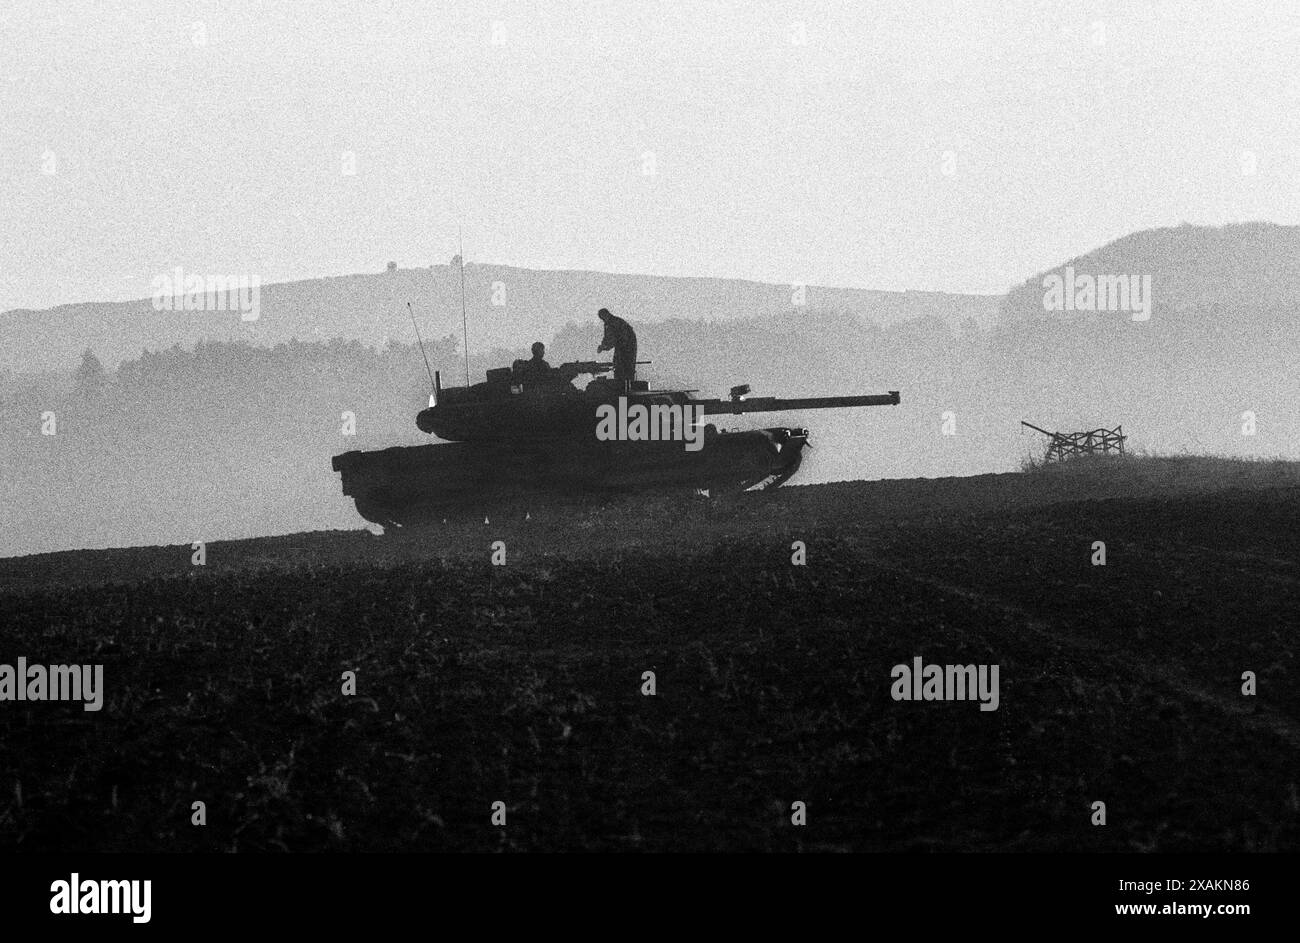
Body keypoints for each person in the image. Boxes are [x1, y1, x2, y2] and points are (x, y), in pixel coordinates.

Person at [596, 308, 637, 383]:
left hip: (628, 345)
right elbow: (607, 337)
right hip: (622, 344)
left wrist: (604, 347)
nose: (603, 320)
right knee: (619, 364)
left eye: (602, 318)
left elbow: (612, 339)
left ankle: (625, 383)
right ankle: (621, 382)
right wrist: (603, 346)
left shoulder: (614, 322)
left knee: (625, 365)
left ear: (606, 314)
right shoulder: (609, 323)